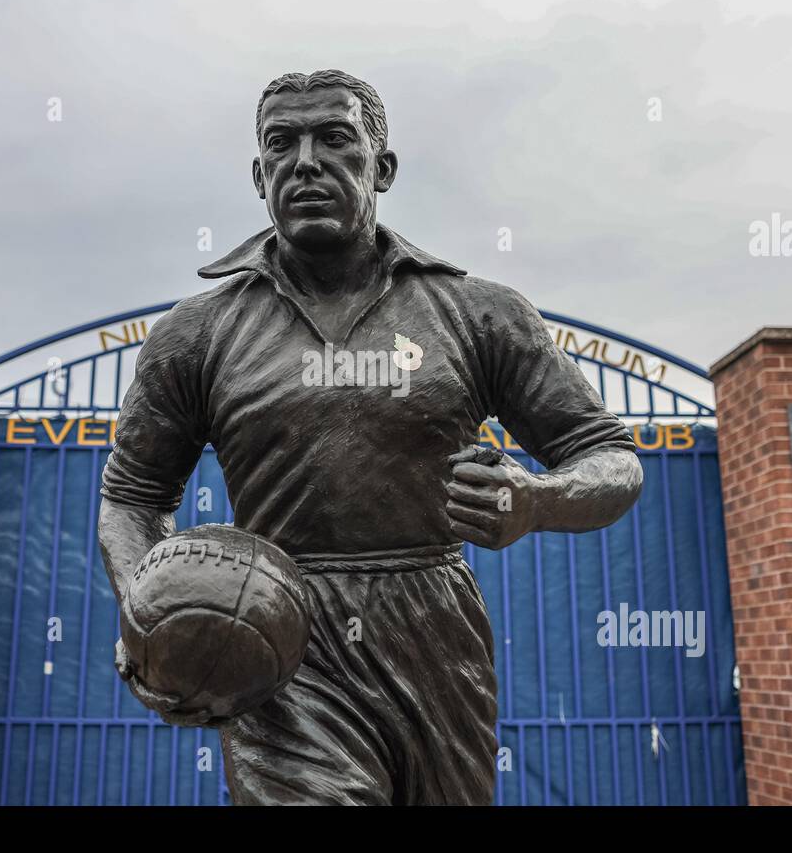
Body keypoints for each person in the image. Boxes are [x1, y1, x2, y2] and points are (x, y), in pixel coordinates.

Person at [98, 69, 642, 804]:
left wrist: (539, 499)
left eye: (335, 138)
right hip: (278, 632)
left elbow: (610, 458)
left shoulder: (478, 314)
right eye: (281, 145)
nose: (306, 162)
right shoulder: (195, 332)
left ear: (381, 167)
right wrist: (153, 617)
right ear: (259, 176)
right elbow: (132, 497)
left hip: (436, 634)